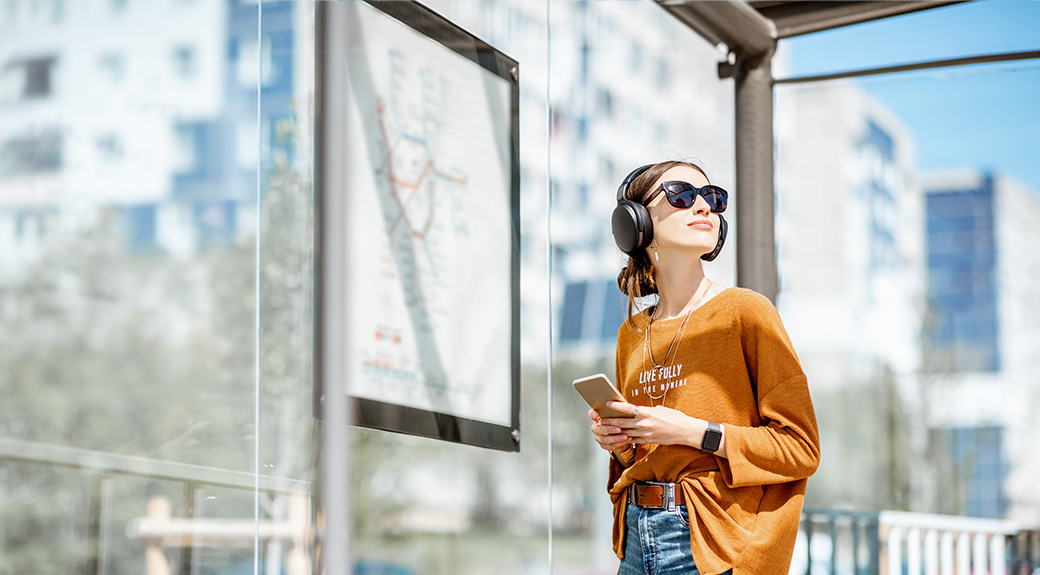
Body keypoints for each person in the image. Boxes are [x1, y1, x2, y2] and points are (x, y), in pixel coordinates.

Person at [589, 160, 821, 575]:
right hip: (635, 538)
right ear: (637, 222)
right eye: (681, 194)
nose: (704, 207)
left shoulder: (745, 313)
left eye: (713, 198)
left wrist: (692, 431)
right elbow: (643, 456)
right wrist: (620, 442)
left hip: (710, 545)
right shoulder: (632, 333)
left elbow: (800, 448)